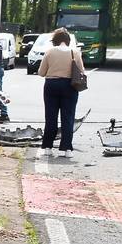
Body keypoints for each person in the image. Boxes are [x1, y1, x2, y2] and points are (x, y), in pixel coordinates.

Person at [37, 28, 84, 158]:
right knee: (68, 117)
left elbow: (41, 72)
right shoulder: (75, 52)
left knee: (51, 117)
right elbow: (81, 71)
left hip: (51, 85)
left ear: (55, 40)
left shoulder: (49, 52)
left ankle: (47, 147)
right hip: (70, 86)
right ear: (68, 41)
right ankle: (66, 149)